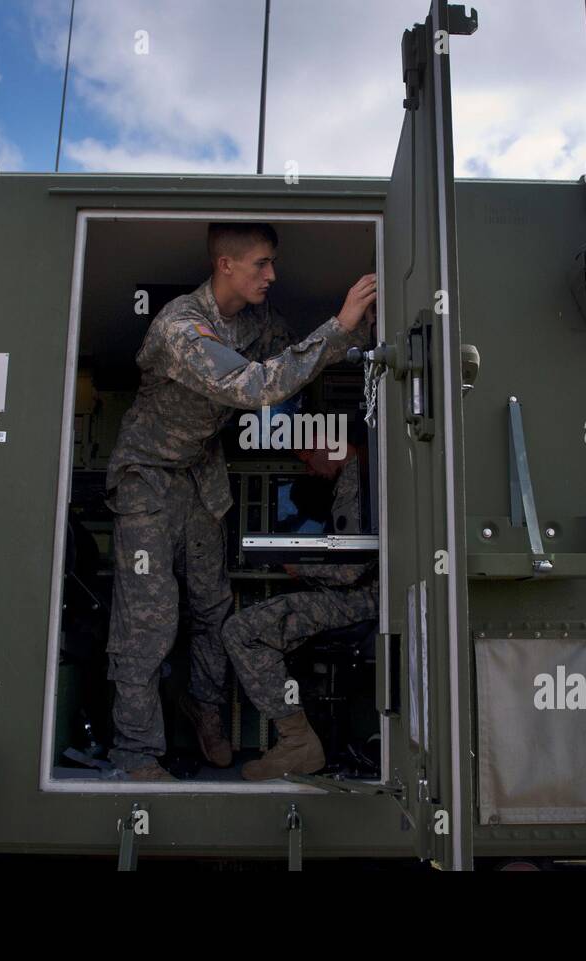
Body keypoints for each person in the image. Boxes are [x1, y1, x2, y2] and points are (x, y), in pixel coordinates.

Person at [104, 222, 376, 780]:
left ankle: (204, 708)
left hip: (201, 476)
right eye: (261, 264)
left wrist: (361, 334)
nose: (272, 275)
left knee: (212, 606)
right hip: (147, 477)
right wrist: (339, 323)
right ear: (225, 265)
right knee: (149, 618)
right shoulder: (181, 328)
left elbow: (298, 359)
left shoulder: (256, 323)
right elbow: (255, 388)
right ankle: (136, 754)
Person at [222, 443, 379, 780]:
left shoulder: (356, 485)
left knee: (241, 632)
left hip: (356, 603)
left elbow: (354, 566)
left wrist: (299, 566)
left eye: (308, 458)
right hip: (358, 599)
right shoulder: (363, 475)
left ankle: (298, 743)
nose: (308, 469)